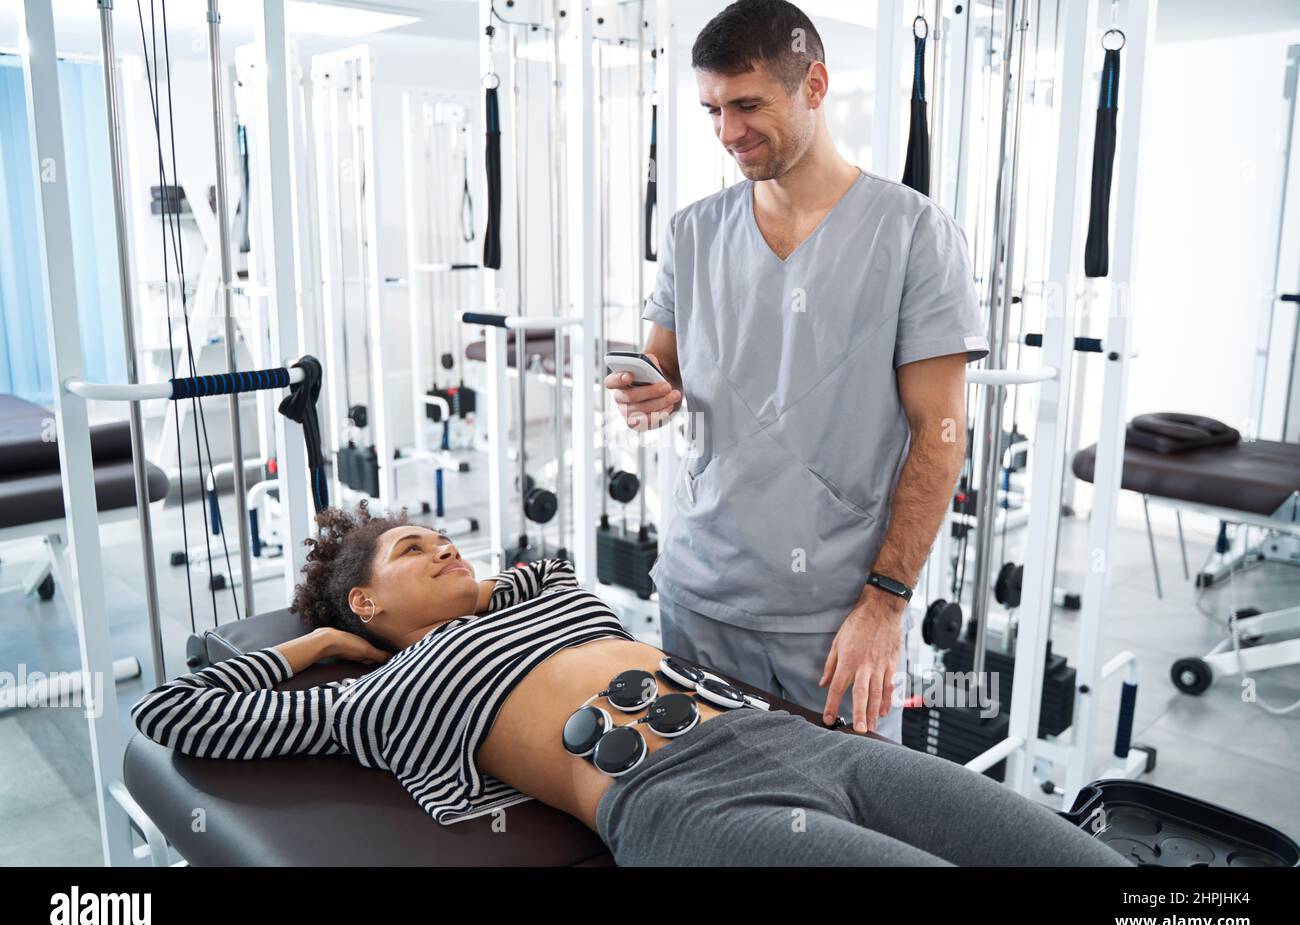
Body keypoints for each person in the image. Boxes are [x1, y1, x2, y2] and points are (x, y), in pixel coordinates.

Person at [132, 505, 1130, 867]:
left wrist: (476, 584)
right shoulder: (377, 698)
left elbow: (530, 565)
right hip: (682, 800)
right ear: (365, 604)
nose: (441, 543)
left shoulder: (541, 592)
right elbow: (173, 712)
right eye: (409, 547)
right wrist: (311, 647)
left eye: (440, 533)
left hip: (808, 745)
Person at [604, 0, 988, 742]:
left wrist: (886, 602)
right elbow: (661, 376)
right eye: (713, 109)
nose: (728, 133)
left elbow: (939, 435)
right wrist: (641, 392)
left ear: (814, 85)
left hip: (836, 612)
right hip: (698, 589)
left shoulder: (914, 235)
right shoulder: (692, 231)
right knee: (705, 818)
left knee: (850, 827)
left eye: (748, 104)